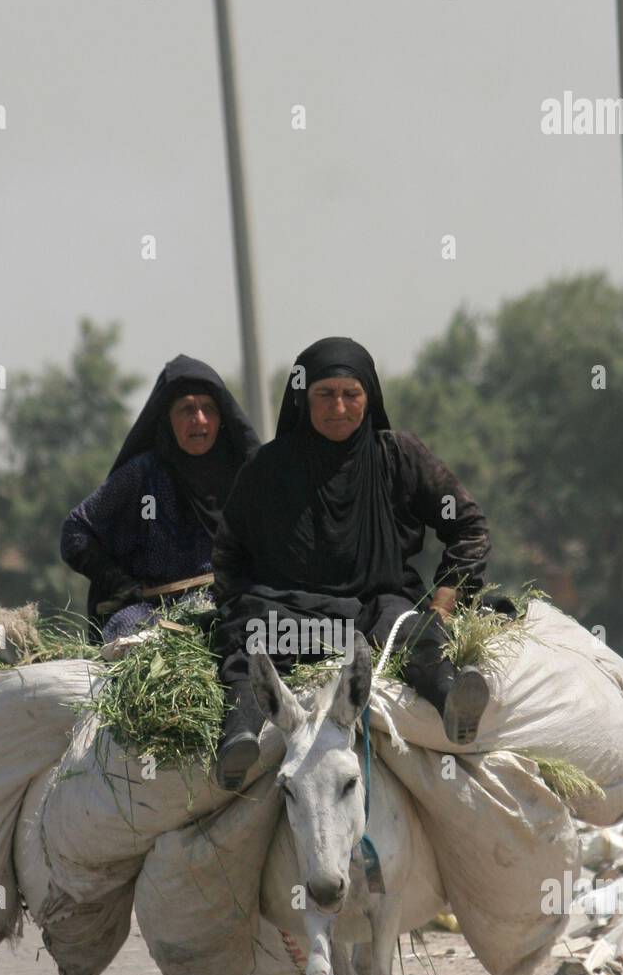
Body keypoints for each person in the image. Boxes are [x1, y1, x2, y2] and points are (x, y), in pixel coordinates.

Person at [211, 336, 494, 790]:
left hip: (372, 617)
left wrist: (444, 602)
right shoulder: (266, 469)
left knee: (411, 630)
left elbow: (469, 526)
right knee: (251, 637)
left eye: (351, 394)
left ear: (369, 397)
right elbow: (228, 555)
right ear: (304, 399)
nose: (338, 407)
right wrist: (241, 605)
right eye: (325, 394)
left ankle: (451, 698)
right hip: (293, 620)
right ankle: (239, 734)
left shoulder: (397, 457)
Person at [60, 355, 259, 641]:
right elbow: (75, 530)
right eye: (187, 409)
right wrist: (118, 583)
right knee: (132, 636)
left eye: (208, 409)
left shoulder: (247, 476)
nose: (199, 419)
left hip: (232, 604)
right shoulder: (142, 474)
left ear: (222, 418)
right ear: (167, 417)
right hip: (154, 610)